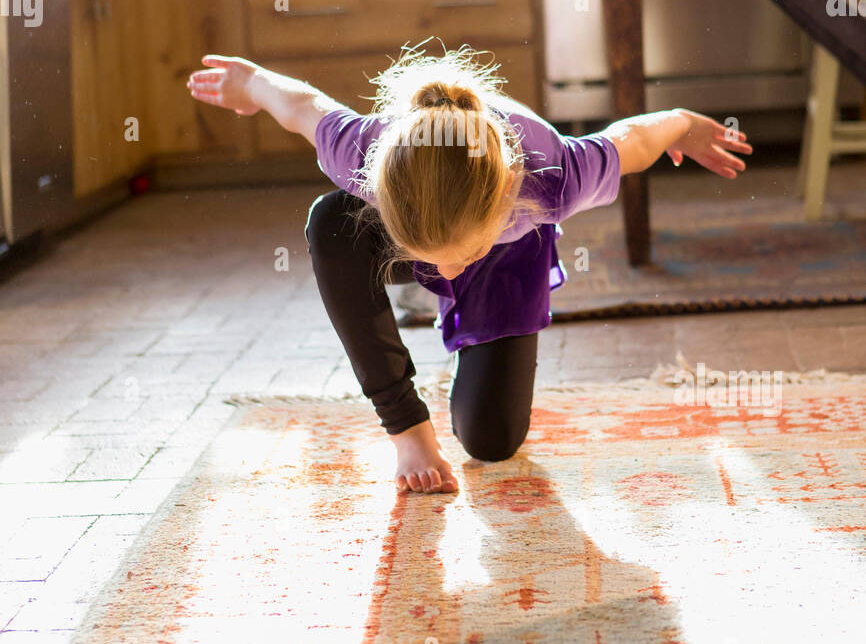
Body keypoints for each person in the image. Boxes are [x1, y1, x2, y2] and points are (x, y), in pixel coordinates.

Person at [187, 45, 751, 496]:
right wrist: (250, 82)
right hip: (420, 206)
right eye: (431, 258)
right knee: (332, 222)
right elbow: (302, 105)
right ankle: (405, 424)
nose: (445, 269)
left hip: (510, 247)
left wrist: (682, 123)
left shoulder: (551, 177)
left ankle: (474, 325)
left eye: (456, 256)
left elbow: (633, 138)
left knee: (492, 441)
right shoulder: (364, 154)